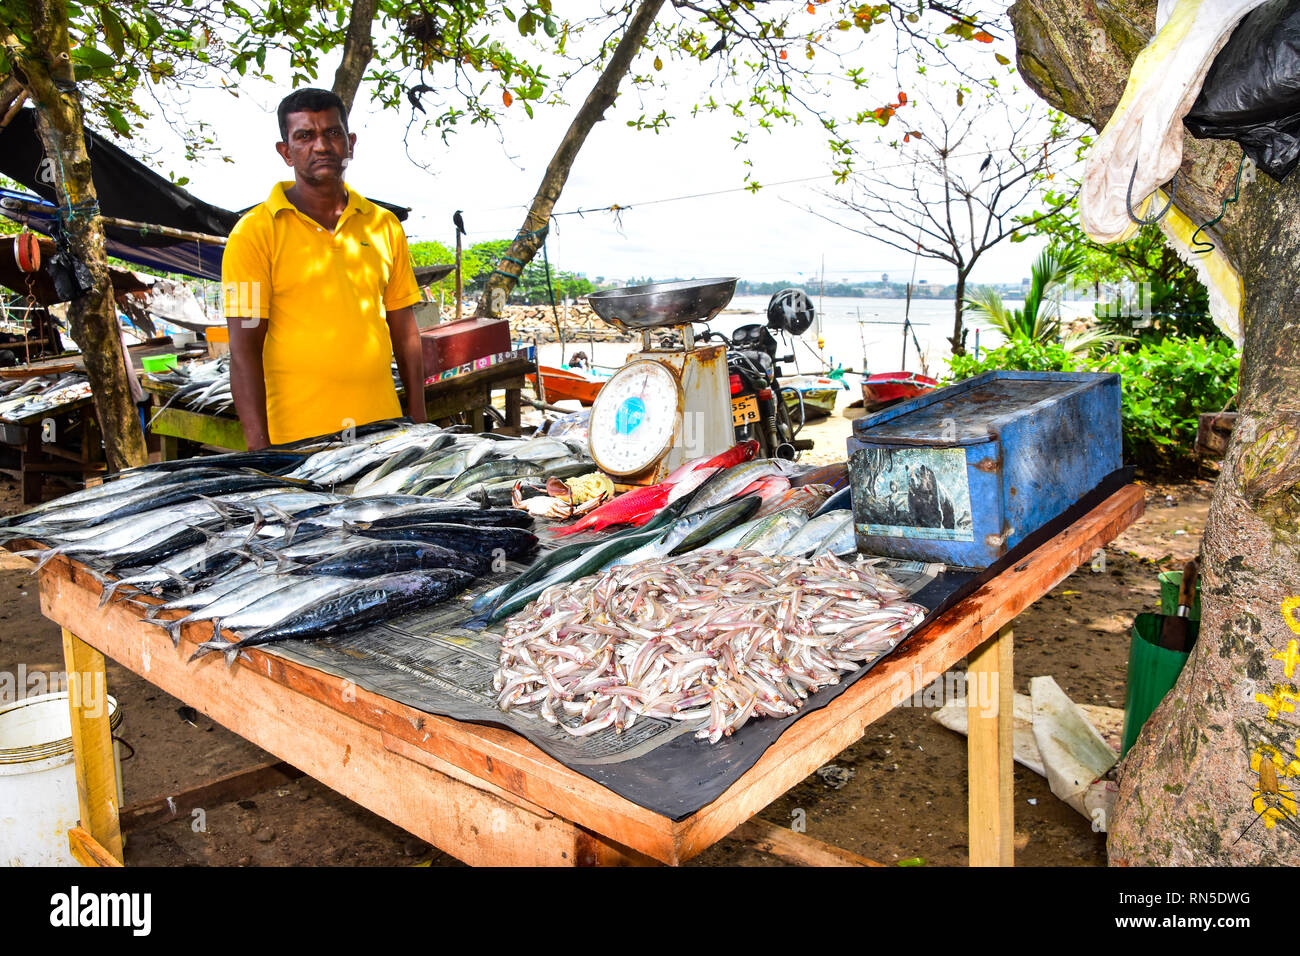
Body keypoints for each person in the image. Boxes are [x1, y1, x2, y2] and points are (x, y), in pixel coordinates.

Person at [222, 88, 426, 448]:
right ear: (285, 152)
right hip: (299, 442)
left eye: (332, 133)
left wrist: (421, 423)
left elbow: (405, 332)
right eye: (304, 135)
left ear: (350, 143)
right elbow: (244, 349)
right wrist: (260, 450)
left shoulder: (384, 226)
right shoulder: (253, 234)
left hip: (385, 435)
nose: (321, 145)